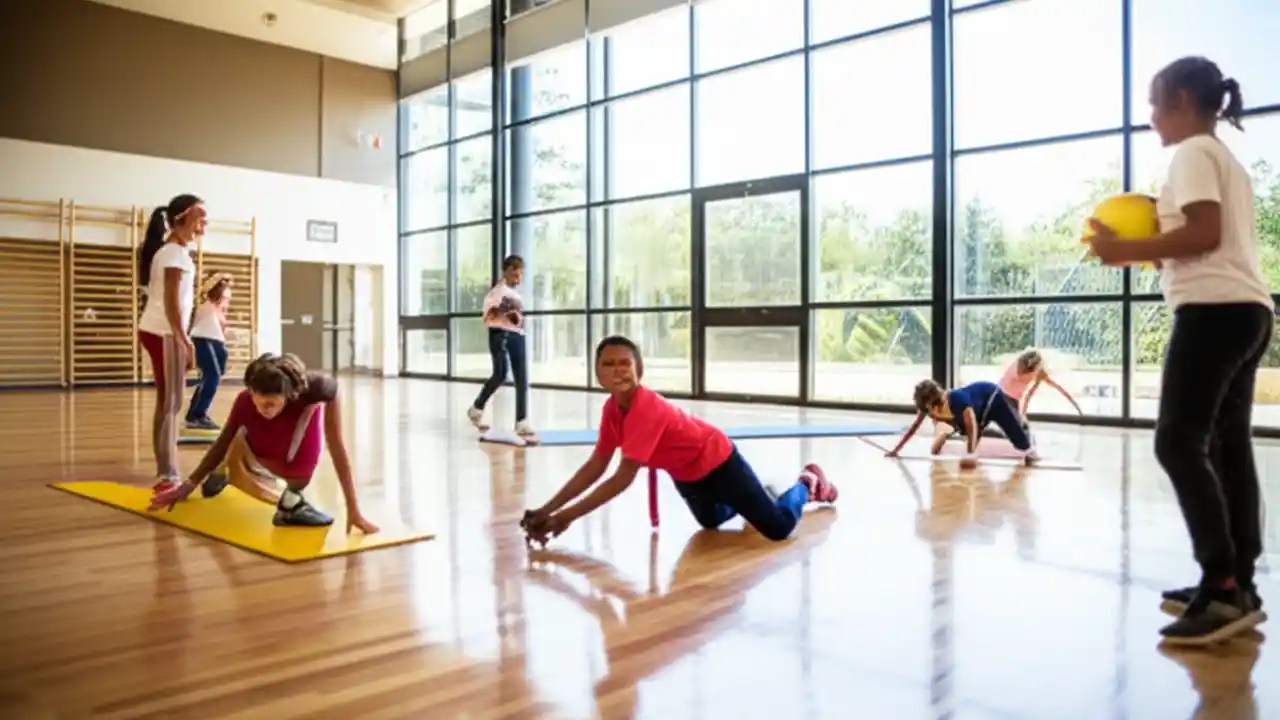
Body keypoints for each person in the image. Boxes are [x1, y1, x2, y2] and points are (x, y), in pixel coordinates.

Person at [1085, 56, 1270, 644]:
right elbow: (1200, 240)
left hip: (1214, 313)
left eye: (1156, 103)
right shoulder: (1225, 160)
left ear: (1184, 99)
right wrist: (1144, 248)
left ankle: (1220, 585)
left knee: (1177, 440)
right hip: (1248, 311)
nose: (1151, 117)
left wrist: (1125, 248)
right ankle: (1237, 581)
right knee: (1225, 446)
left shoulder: (1191, 154)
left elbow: (1204, 233)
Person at [521, 336, 837, 546]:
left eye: (625, 363)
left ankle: (806, 485)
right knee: (711, 523)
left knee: (778, 528)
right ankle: (761, 497)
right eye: (608, 364)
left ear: (638, 370)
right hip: (687, 474)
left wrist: (564, 518)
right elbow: (596, 465)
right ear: (597, 374)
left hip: (719, 461)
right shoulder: (612, 409)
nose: (617, 370)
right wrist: (546, 510)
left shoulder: (647, 408)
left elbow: (621, 478)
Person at [148, 353, 379, 533]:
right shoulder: (246, 400)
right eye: (259, 402)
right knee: (235, 434)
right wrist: (188, 485)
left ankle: (265, 486)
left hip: (294, 445)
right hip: (257, 446)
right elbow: (222, 441)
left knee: (297, 480)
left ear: (288, 396)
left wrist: (354, 510)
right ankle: (224, 470)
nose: (263, 409)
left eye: (271, 404)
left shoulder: (317, 389)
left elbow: (337, 448)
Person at [136, 194, 203, 492]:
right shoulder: (174, 254)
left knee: (168, 400)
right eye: (199, 220)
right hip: (164, 332)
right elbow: (172, 303)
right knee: (172, 402)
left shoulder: (173, 252)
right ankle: (167, 473)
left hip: (158, 330)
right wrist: (184, 339)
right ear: (179, 221)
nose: (203, 227)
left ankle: (165, 467)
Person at [886, 379, 1037, 468]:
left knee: (1015, 435)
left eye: (932, 408)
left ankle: (1028, 444)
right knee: (964, 430)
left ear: (936, 400)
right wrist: (896, 449)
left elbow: (972, 424)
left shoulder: (956, 399)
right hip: (977, 412)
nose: (930, 413)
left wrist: (970, 454)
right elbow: (914, 428)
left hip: (991, 397)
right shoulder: (927, 407)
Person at [468, 255, 535, 439]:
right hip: (501, 335)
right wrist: (505, 325)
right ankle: (477, 408)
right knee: (500, 374)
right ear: (505, 271)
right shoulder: (497, 293)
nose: (517, 278)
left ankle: (521, 421)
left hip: (517, 336)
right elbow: (489, 318)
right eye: (514, 274)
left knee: (522, 378)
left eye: (520, 274)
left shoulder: (515, 294)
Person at [185, 273, 232, 430]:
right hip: (202, 340)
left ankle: (196, 414)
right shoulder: (205, 304)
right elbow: (207, 287)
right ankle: (197, 415)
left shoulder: (216, 310)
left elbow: (220, 331)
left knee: (210, 378)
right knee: (211, 377)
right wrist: (220, 276)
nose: (226, 302)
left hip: (215, 341)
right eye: (224, 297)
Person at [998, 349, 1083, 419]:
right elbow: (1028, 395)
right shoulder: (1020, 367)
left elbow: (1029, 395)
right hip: (1006, 396)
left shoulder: (1035, 372)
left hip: (1006, 396)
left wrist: (1076, 407)